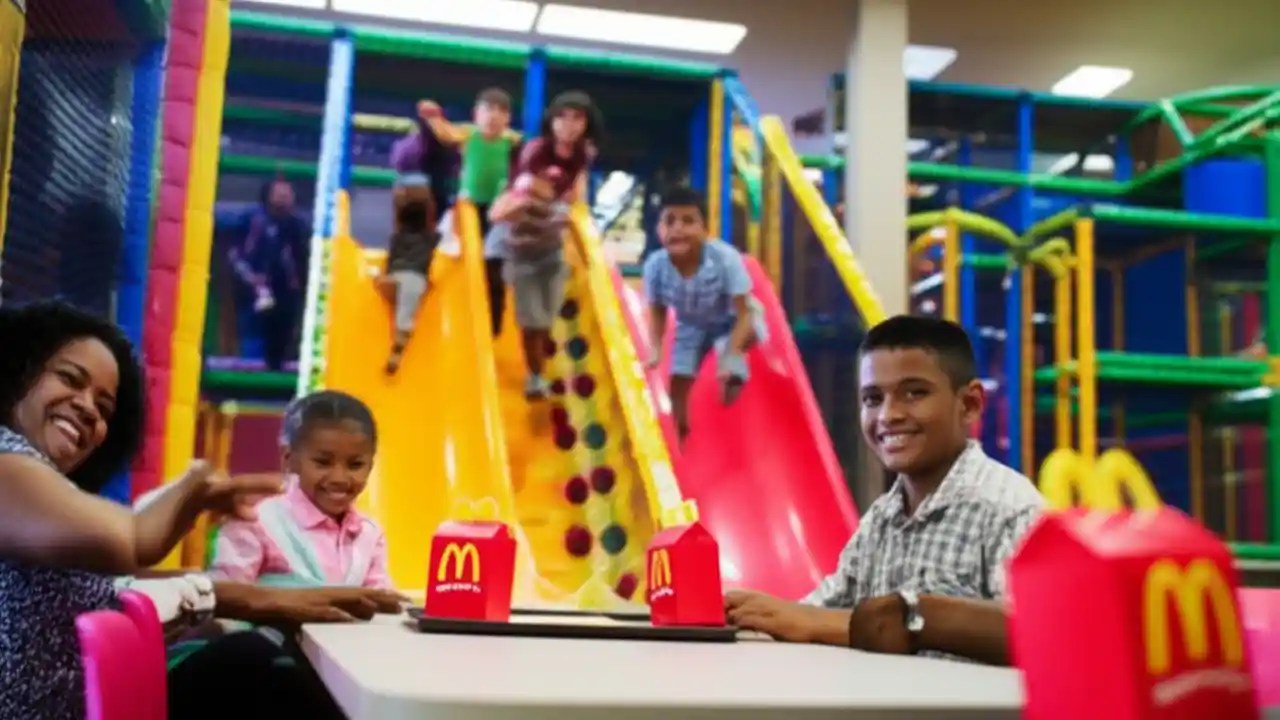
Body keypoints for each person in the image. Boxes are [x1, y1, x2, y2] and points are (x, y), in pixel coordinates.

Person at [0, 302, 397, 719]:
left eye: (104, 408)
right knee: (255, 666)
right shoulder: (6, 463)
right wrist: (195, 484)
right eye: (69, 379)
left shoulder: (46, 498)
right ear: (17, 371)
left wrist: (264, 599)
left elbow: (124, 582)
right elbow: (132, 541)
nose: (87, 407)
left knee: (257, 664)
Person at [724, 316, 1044, 665]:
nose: (888, 415)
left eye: (914, 393)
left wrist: (910, 621)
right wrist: (753, 615)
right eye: (873, 398)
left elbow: (1037, 632)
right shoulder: (881, 520)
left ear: (969, 404)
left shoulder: (1008, 509)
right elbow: (814, 613)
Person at [209, 390, 390, 588]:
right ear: (289, 459)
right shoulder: (256, 521)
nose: (339, 478)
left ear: (370, 466)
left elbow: (382, 596)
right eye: (323, 462)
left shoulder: (369, 533)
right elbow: (226, 594)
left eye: (355, 465)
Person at [488, 91, 600, 398]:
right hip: (521, 248)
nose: (568, 125)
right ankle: (534, 378)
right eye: (562, 117)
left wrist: (587, 251)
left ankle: (537, 372)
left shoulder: (582, 155)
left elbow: (576, 197)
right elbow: (512, 198)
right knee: (530, 320)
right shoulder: (536, 151)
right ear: (551, 120)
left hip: (551, 249)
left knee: (546, 318)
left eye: (577, 119)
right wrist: (524, 199)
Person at [642, 186, 765, 439]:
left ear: (705, 230)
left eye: (688, 221)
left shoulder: (725, 258)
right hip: (692, 323)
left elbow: (744, 313)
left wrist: (731, 354)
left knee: (731, 356)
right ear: (658, 229)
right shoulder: (656, 266)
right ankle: (681, 432)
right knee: (678, 379)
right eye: (669, 221)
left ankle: (733, 385)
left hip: (732, 319)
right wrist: (655, 348)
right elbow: (657, 309)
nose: (677, 229)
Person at [417, 89, 522, 337]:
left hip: (498, 210)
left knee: (493, 264)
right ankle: (425, 286)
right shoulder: (468, 134)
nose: (493, 117)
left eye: (500, 112)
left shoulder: (512, 141)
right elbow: (446, 134)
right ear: (477, 114)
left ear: (507, 118)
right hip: (469, 206)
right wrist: (433, 116)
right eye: (488, 110)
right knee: (449, 245)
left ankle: (494, 323)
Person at [227, 178, 307, 370]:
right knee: (254, 342)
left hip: (286, 296)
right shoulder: (252, 221)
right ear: (268, 196)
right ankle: (252, 377)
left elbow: (302, 259)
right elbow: (236, 255)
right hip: (254, 292)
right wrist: (252, 279)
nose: (284, 198)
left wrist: (298, 284)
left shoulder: (297, 226)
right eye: (279, 193)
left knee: (282, 343)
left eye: (287, 194)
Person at [379, 198, 439, 374]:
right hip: (415, 278)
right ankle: (397, 351)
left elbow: (390, 261)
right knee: (405, 316)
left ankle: (395, 300)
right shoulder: (431, 238)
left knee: (395, 296)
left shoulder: (396, 237)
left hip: (393, 278)